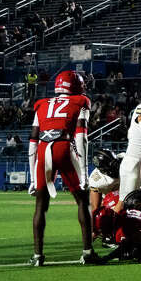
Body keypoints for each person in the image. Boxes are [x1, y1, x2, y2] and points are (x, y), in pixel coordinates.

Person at [27, 70, 103, 266]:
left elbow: (33, 141)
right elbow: (81, 137)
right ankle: (87, 252)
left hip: (43, 150)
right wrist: (84, 173)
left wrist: (33, 179)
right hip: (64, 146)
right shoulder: (81, 101)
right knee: (82, 200)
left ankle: (37, 256)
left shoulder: (42, 104)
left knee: (40, 206)